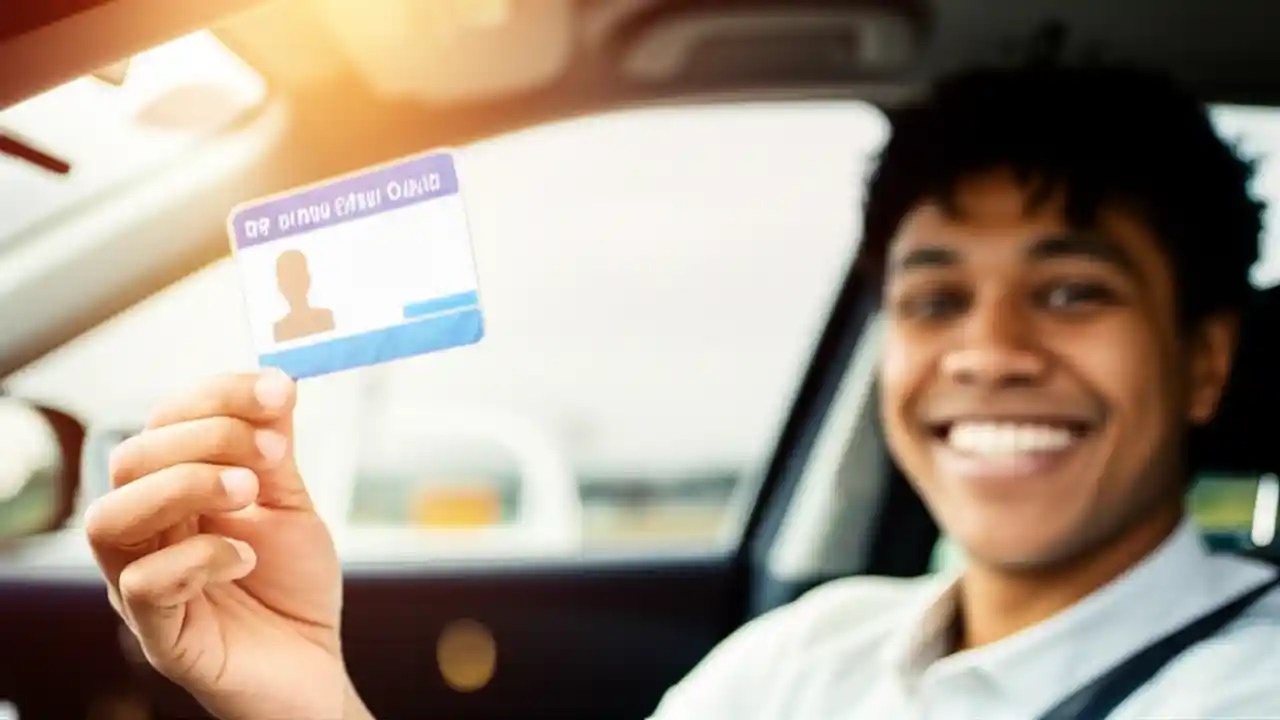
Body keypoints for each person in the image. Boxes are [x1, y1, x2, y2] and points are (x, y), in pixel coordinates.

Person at [84, 63, 1280, 720]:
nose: (986, 352)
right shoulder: (807, 656)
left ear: (1203, 360)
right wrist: (296, 690)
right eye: (931, 299)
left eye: (1070, 293)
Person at [272, 249, 335, 343]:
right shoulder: (280, 329)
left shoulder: (325, 317)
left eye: (296, 277)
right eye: (286, 280)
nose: (292, 285)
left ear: (307, 280)